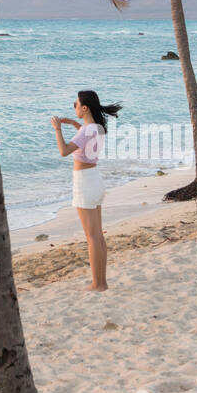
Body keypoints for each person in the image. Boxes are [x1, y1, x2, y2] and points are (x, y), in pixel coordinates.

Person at [51, 90, 121, 293]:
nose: (73, 105)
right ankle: (102, 282)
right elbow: (86, 135)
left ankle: (98, 283)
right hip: (95, 180)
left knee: (92, 237)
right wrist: (75, 125)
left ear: (85, 108)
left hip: (85, 183)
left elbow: (64, 151)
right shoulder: (97, 128)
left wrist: (57, 129)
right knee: (98, 235)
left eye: (76, 103)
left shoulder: (86, 131)